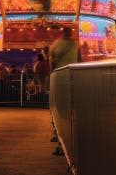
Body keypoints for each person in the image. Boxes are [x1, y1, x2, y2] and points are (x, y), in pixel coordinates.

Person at [49, 28, 79, 156]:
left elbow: (51, 60)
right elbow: (80, 59)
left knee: (60, 110)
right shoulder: (74, 44)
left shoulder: (56, 44)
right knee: (69, 109)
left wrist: (52, 73)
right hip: (72, 77)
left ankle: (62, 140)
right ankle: (67, 139)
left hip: (60, 77)